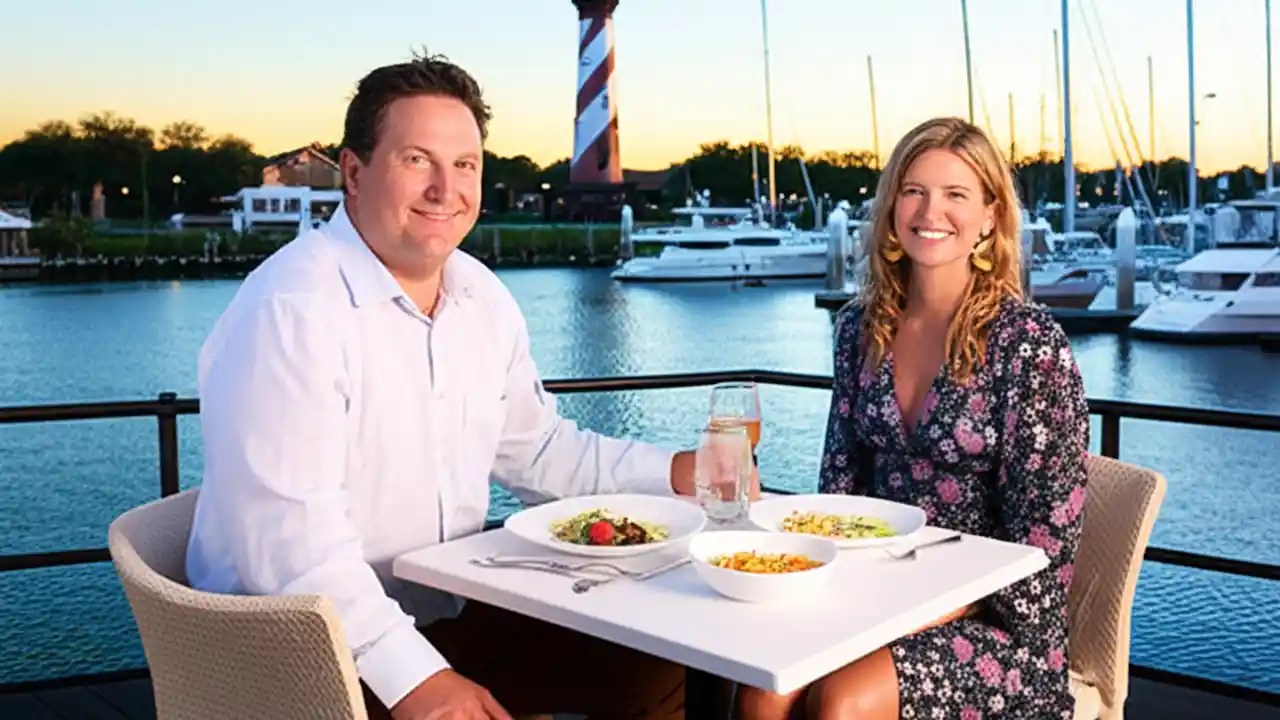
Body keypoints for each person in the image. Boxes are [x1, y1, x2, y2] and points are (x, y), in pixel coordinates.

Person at [185, 52, 726, 720]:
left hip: (439, 615)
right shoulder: (292, 308)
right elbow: (291, 547)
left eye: (464, 164)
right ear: (353, 173)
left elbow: (536, 451)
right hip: (299, 660)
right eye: (417, 160)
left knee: (658, 661)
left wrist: (676, 472)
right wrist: (419, 681)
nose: (447, 189)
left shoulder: (480, 296)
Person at [737, 117, 1089, 719]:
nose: (932, 211)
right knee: (764, 692)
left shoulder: (1028, 343)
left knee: (842, 701)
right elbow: (837, 492)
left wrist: (912, 606)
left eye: (956, 194)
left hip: (994, 618)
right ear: (893, 205)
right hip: (868, 592)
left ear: (989, 216)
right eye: (915, 190)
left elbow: (1045, 546)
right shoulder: (857, 329)